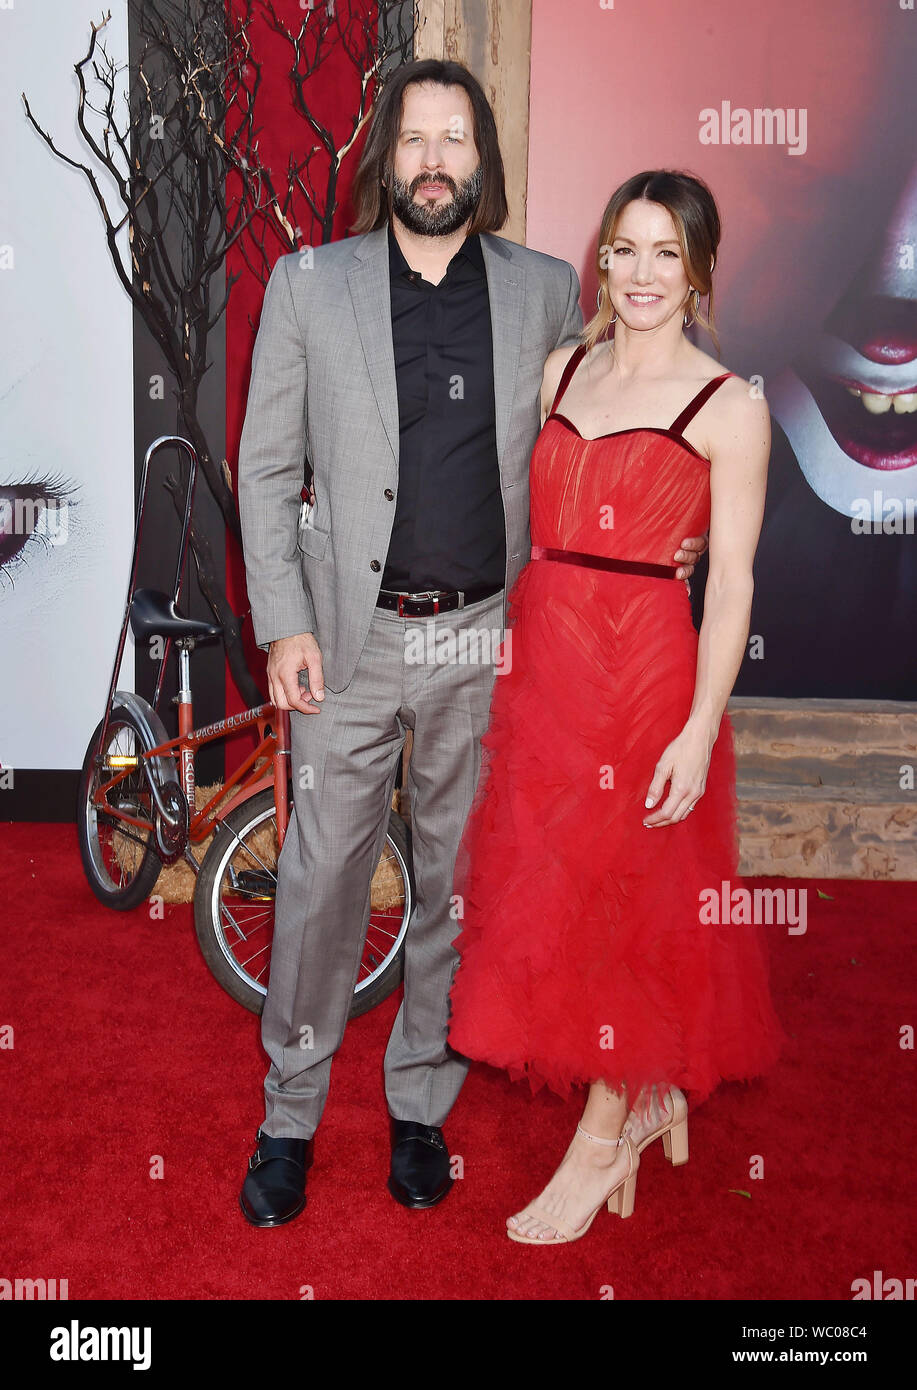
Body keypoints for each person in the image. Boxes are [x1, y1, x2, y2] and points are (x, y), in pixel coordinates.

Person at [235, 64, 709, 1228]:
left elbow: (620, 403)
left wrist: (668, 534)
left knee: (454, 887)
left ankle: (417, 1109)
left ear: (481, 161)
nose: (433, 159)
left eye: (454, 138)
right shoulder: (310, 285)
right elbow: (259, 469)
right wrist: (285, 622)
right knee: (316, 884)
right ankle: (288, 1114)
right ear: (384, 159)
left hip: (486, 644)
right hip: (345, 641)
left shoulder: (547, 290)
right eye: (413, 140)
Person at [448, 170, 784, 1244]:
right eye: (623, 250)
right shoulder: (561, 368)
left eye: (664, 254)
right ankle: (638, 1096)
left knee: (629, 900)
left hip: (647, 676)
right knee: (553, 887)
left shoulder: (731, 405)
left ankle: (603, 1132)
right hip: (546, 666)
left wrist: (696, 728)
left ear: (697, 272)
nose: (641, 274)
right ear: (601, 260)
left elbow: (727, 581)